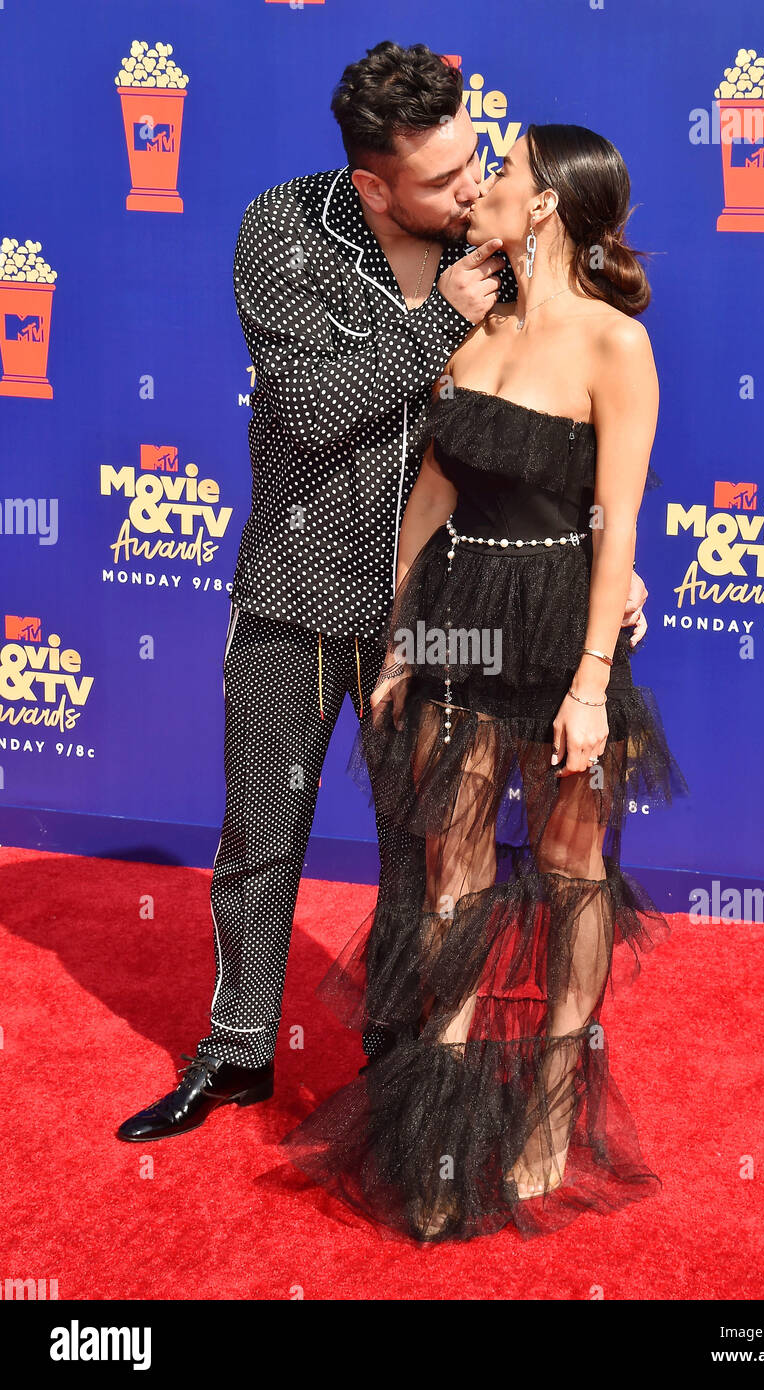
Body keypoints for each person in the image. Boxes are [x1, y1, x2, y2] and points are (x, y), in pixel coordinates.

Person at [116, 44, 651, 1145]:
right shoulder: (283, 234)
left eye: (474, 164)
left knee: (428, 856)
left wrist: (599, 548)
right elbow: (309, 407)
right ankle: (236, 1054)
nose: (467, 190)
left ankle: (406, 1064)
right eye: (442, 179)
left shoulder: (505, 248)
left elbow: (567, 417)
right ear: (372, 185)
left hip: (446, 609)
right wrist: (433, 323)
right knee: (260, 837)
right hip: (296, 587)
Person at [280, 122, 689, 1243]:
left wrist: (593, 683)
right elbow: (427, 501)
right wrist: (403, 634)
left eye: (498, 173)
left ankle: (553, 1102)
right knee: (451, 874)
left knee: (567, 871)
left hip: (564, 625)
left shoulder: (615, 346)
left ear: (546, 202)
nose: (479, 190)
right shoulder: (470, 330)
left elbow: (615, 527)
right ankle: (444, 1127)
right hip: (457, 621)